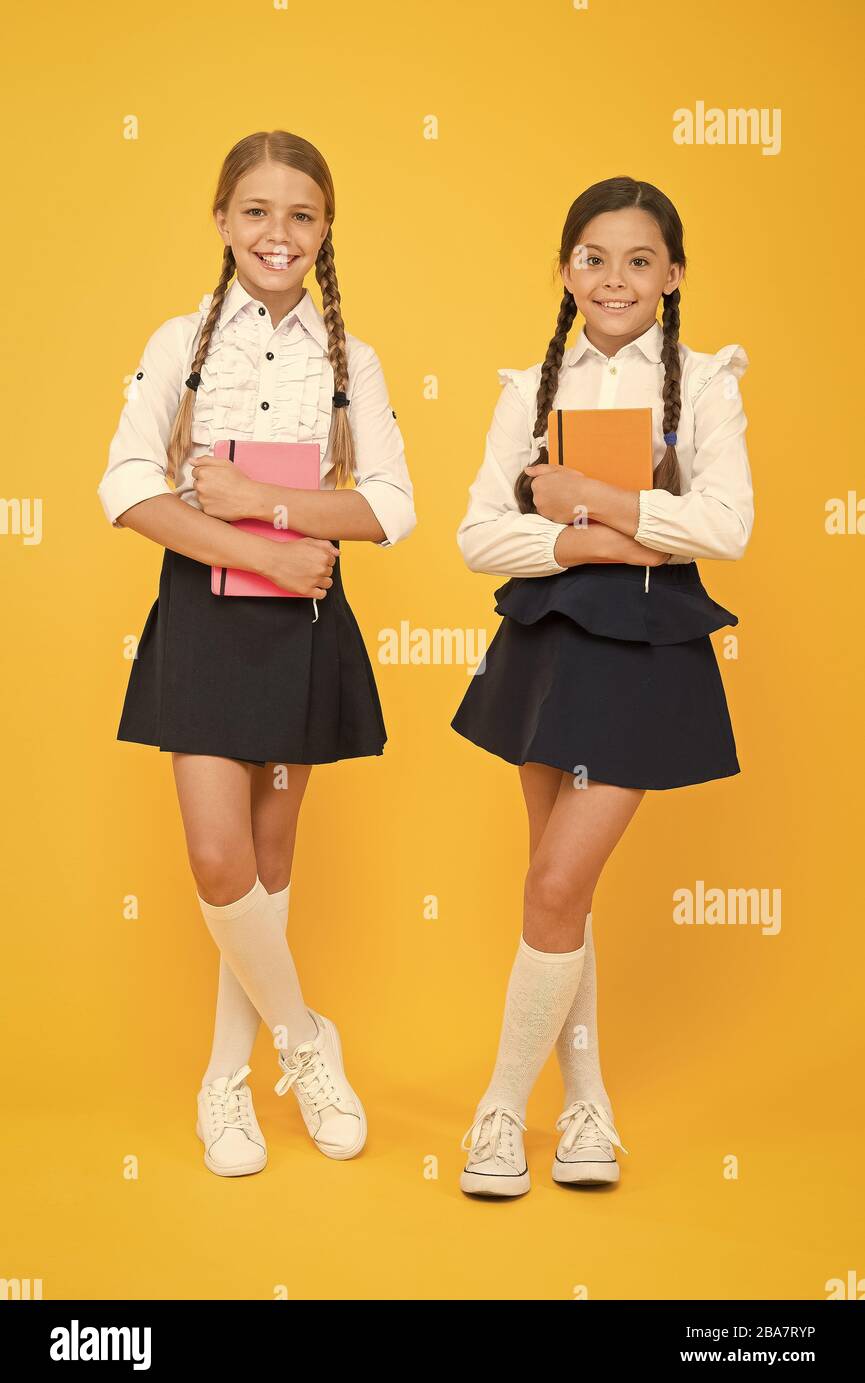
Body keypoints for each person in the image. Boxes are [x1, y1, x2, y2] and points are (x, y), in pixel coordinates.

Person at [97, 130, 416, 1177]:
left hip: (303, 631)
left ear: (325, 231)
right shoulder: (179, 339)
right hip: (203, 618)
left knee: (268, 878)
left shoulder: (349, 360)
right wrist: (254, 547)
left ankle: (223, 1088)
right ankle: (305, 1042)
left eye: (302, 215)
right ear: (222, 220)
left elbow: (386, 508)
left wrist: (270, 503)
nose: (278, 234)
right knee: (217, 861)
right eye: (256, 212)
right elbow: (128, 488)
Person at [450, 176, 753, 1198]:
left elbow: (726, 526)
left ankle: (497, 1109)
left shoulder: (706, 382)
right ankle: (586, 1109)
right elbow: (478, 533)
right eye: (592, 257)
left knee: (553, 885)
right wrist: (587, 542)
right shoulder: (526, 388)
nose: (613, 277)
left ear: (671, 274)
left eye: (637, 259)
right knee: (560, 888)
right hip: (545, 643)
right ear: (565, 270)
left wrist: (595, 496)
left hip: (645, 653)